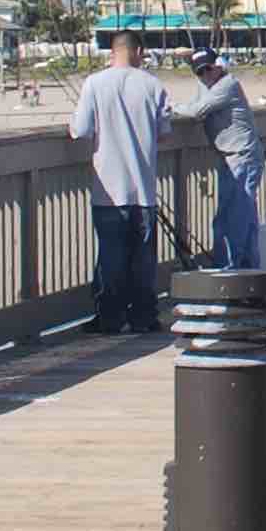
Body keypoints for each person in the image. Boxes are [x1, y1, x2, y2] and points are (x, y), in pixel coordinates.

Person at [66, 31, 176, 333]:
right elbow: (165, 132)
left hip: (108, 191)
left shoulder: (94, 83)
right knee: (143, 259)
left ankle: (110, 318)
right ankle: (143, 316)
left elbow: (82, 128)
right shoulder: (152, 85)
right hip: (143, 189)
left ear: (112, 52)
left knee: (111, 256)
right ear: (138, 50)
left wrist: (71, 125)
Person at [176, 47, 266, 272]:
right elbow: (198, 100)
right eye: (199, 72)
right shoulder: (208, 85)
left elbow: (197, 110)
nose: (204, 75)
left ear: (218, 65)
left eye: (208, 69)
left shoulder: (228, 85)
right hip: (230, 157)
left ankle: (231, 270)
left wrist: (165, 110)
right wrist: (191, 59)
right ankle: (246, 270)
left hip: (242, 157)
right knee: (240, 215)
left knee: (233, 217)